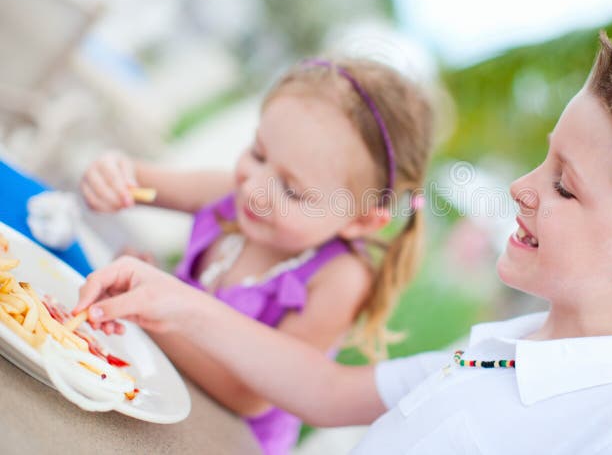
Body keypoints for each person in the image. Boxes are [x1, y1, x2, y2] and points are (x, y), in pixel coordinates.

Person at [75, 32, 612, 454]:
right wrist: (174, 302)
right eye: (543, 161)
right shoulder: (500, 348)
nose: (522, 188)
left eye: (565, 186)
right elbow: (328, 392)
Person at [78, 58, 433, 454]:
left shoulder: (338, 279)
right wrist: (109, 175)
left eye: (293, 191)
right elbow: (133, 178)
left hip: (220, 438)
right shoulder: (229, 195)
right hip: (146, 385)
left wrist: (152, 310)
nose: (255, 189)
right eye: (259, 153)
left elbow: (247, 396)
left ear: (361, 221)